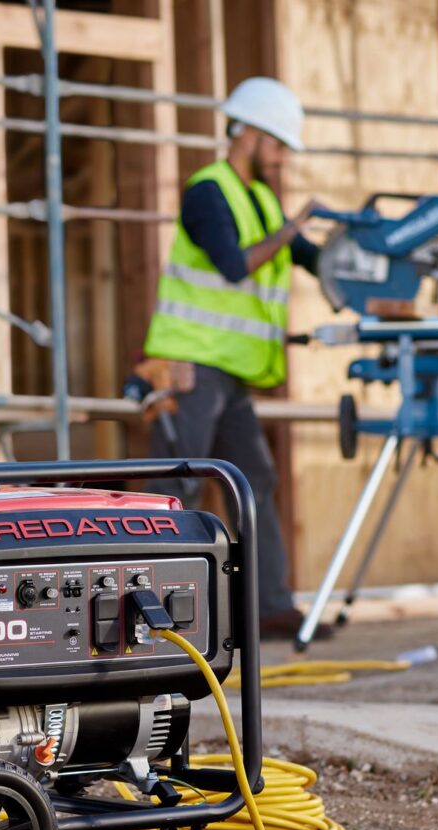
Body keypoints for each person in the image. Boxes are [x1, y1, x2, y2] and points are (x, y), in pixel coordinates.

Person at [134, 76, 328, 640]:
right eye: (276, 144)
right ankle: (155, 616)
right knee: (177, 487)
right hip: (191, 366)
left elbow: (312, 259)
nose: (282, 157)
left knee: (254, 481)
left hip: (232, 373)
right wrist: (293, 227)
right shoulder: (207, 191)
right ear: (246, 133)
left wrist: (365, 265)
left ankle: (269, 607)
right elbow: (233, 264)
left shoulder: (262, 199)